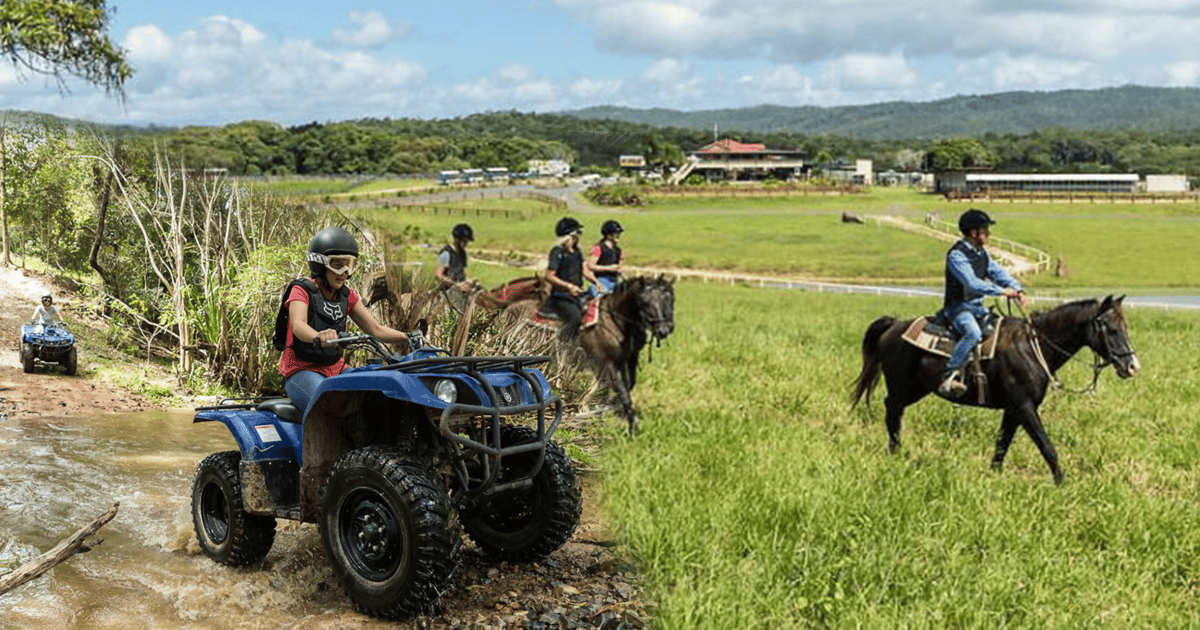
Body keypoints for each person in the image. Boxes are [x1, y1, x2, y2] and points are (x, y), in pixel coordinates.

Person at [279, 227, 409, 413]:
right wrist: (318, 336)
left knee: (376, 394)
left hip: (337, 369)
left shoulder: (347, 295)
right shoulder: (302, 290)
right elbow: (298, 325)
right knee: (330, 406)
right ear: (319, 264)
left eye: (349, 265)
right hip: (301, 371)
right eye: (337, 264)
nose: (344, 272)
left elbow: (376, 330)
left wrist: (408, 337)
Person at [937, 209, 1030, 398]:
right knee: (973, 333)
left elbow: (998, 273)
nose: (988, 233)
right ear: (973, 233)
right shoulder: (957, 256)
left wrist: (1017, 289)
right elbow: (971, 283)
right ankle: (950, 374)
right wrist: (1001, 291)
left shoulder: (982, 254)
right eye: (985, 229)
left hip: (978, 308)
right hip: (959, 308)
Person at [542, 217, 596, 341]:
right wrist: (569, 286)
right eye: (578, 233)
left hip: (577, 295)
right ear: (570, 235)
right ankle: (562, 344)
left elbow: (584, 270)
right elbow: (549, 275)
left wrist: (596, 282)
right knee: (575, 319)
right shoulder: (557, 252)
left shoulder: (578, 252)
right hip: (561, 296)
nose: (579, 236)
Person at [587, 220, 625, 296]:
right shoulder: (599, 248)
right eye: (616, 234)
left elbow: (619, 266)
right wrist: (609, 268)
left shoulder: (618, 250)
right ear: (609, 235)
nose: (618, 236)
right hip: (601, 281)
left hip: (614, 281)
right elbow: (591, 266)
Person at [435, 223, 474, 291]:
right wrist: (455, 285)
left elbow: (462, 273)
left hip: (459, 288)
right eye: (464, 241)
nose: (466, 244)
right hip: (447, 290)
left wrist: (467, 281)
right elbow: (438, 276)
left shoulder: (462, 254)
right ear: (457, 239)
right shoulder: (446, 254)